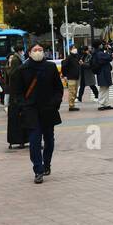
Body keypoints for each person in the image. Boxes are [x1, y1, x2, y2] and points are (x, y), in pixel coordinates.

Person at [19, 43, 64, 183]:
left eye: (40, 50)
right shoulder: (23, 69)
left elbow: (59, 88)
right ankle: (38, 170)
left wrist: (55, 103)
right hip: (31, 110)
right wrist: (23, 106)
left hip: (48, 109)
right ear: (29, 52)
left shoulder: (50, 67)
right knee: (34, 141)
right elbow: (17, 92)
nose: (38, 52)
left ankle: (47, 164)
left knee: (49, 140)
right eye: (35, 50)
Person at [91, 42, 113, 110]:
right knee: (103, 88)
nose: (102, 45)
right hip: (103, 72)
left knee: (105, 87)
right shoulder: (99, 53)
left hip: (103, 72)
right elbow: (109, 57)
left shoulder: (97, 53)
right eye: (101, 44)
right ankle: (101, 104)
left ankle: (106, 103)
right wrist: (109, 51)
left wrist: (107, 52)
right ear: (98, 45)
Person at [61, 45, 82, 112]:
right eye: (73, 48)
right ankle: (71, 106)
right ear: (70, 50)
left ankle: (72, 105)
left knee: (75, 92)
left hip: (76, 77)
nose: (75, 49)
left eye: (75, 48)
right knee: (72, 92)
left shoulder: (77, 57)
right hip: (71, 77)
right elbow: (64, 66)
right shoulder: (69, 57)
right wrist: (65, 75)